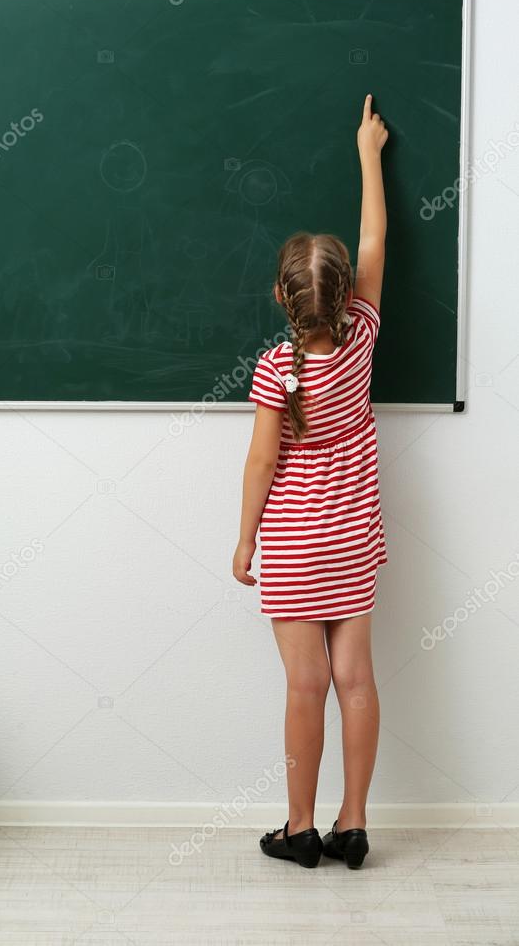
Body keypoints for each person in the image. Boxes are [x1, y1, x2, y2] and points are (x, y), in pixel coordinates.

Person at [232, 94, 389, 870]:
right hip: (353, 542)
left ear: (281, 300)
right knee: (355, 678)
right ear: (345, 299)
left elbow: (263, 462)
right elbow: (373, 236)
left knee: (306, 686)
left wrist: (243, 537)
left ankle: (299, 829)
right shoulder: (361, 339)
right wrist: (368, 152)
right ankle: (352, 821)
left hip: (295, 547)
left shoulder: (274, 371)